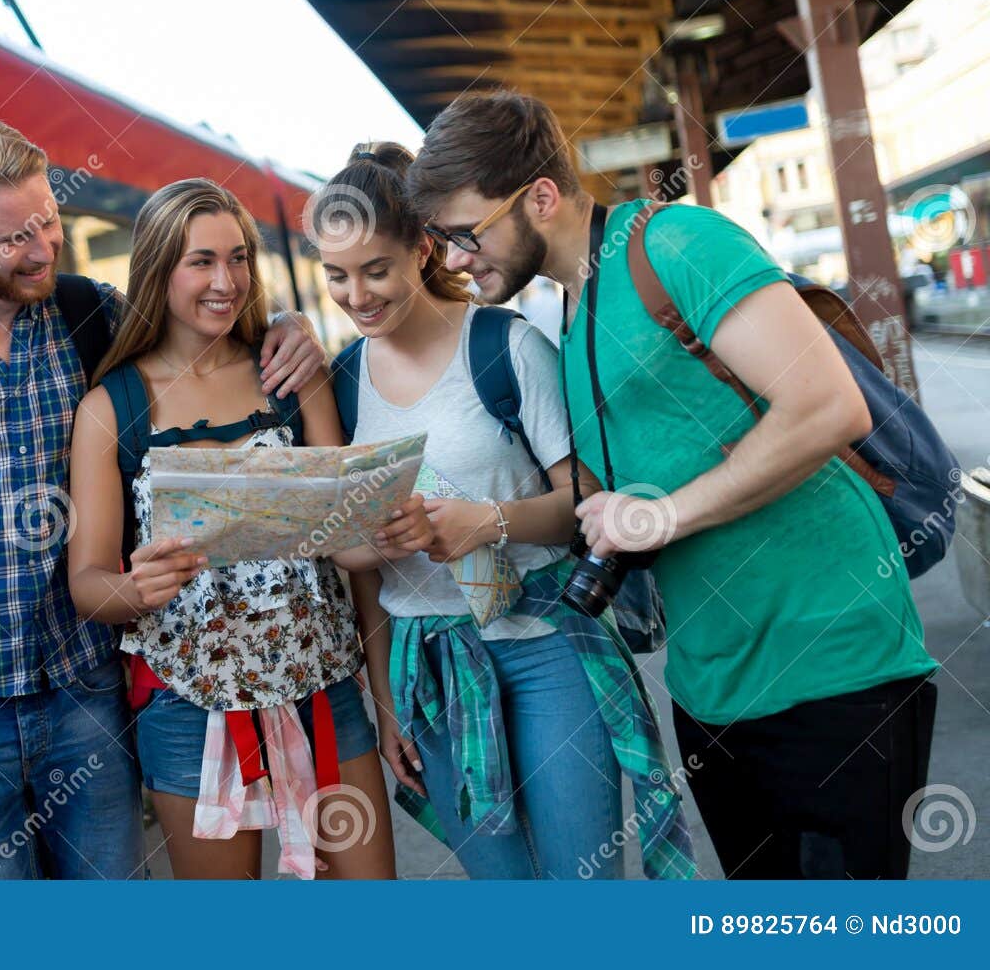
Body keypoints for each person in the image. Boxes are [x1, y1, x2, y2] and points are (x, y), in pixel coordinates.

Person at [405, 91, 938, 879]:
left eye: (462, 233)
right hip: (711, 693)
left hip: (831, 665)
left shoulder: (678, 242)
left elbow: (827, 405)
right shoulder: (569, 312)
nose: (451, 258)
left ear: (541, 197)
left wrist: (661, 516)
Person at [0, 117, 326, 880]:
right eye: (13, 238)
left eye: (48, 219)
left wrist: (289, 325)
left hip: (85, 692)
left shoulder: (94, 316)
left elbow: (205, 337)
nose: (44, 248)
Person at [317, 143, 694, 880]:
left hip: (544, 642)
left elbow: (584, 505)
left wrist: (482, 520)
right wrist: (386, 698)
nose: (356, 295)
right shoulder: (340, 383)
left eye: (375, 270)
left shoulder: (504, 345)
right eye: (336, 274)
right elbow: (360, 572)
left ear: (421, 248)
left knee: (578, 887)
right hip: (428, 663)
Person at [66, 178, 428, 879]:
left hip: (322, 688)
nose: (225, 281)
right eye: (201, 260)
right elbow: (87, 585)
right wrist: (135, 587)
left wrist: (385, 531)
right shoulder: (111, 409)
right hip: (188, 710)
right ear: (157, 268)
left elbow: (351, 552)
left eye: (238, 259)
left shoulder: (290, 375)